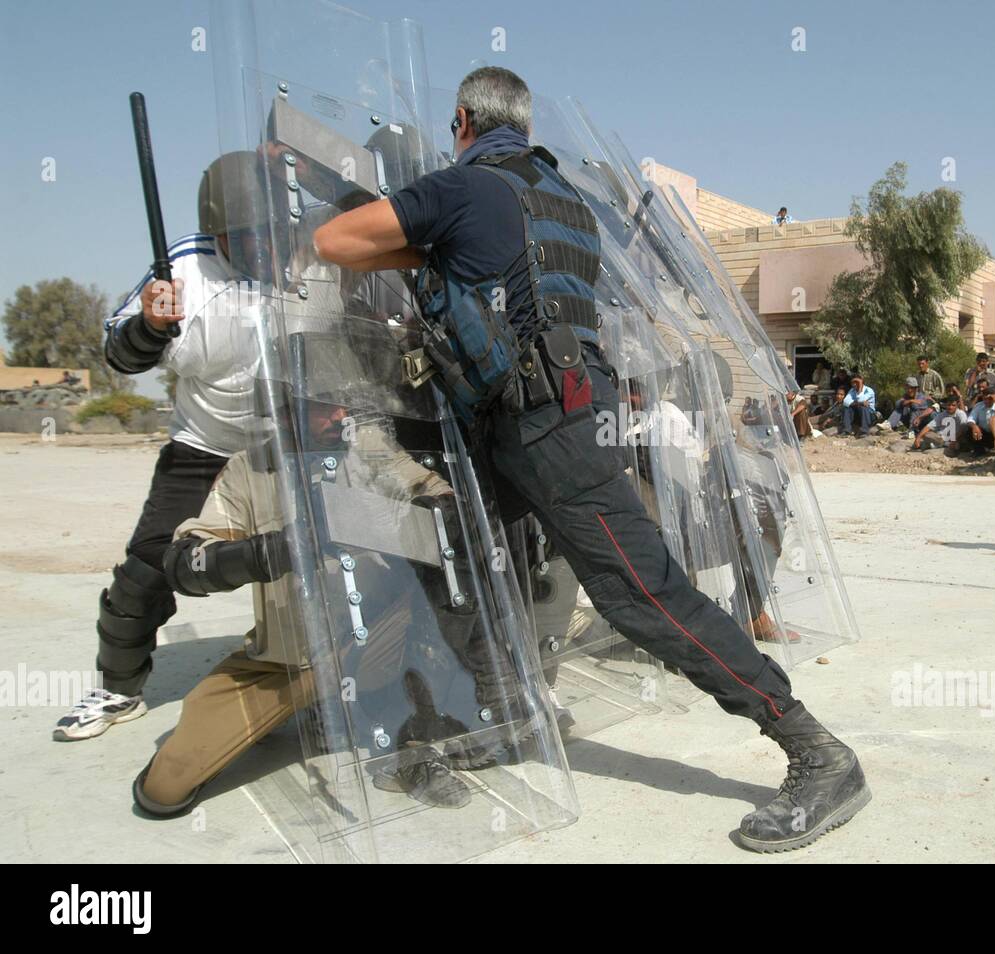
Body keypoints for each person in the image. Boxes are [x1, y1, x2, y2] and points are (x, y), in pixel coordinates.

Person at [312, 66, 868, 851]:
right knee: (470, 556)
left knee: (639, 592)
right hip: (551, 412)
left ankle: (813, 747)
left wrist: (424, 250)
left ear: (465, 121)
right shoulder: (563, 199)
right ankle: (509, 707)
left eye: (453, 128)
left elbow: (332, 241)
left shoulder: (461, 191)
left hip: (544, 428)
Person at [133, 400, 475, 815]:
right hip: (286, 660)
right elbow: (187, 563)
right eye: (321, 408)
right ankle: (315, 705)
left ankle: (411, 735)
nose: (338, 418)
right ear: (282, 408)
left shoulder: (367, 447)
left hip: (374, 641)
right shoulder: (249, 469)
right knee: (164, 790)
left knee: (427, 598)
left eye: (341, 406)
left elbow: (433, 491)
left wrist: (436, 509)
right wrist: (276, 550)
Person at [53, 153, 268, 742]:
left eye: (269, 234)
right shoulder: (185, 268)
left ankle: (320, 677)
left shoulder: (310, 259)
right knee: (147, 566)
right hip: (203, 445)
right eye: (242, 238)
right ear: (217, 230)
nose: (259, 249)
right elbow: (118, 355)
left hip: (288, 449)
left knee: (328, 555)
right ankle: (119, 691)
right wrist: (149, 326)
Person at [961, 389, 995, 454]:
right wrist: (974, 426)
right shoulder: (978, 406)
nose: (987, 401)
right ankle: (979, 450)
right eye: (985, 399)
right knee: (969, 429)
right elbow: (970, 419)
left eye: (989, 399)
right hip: (984, 434)